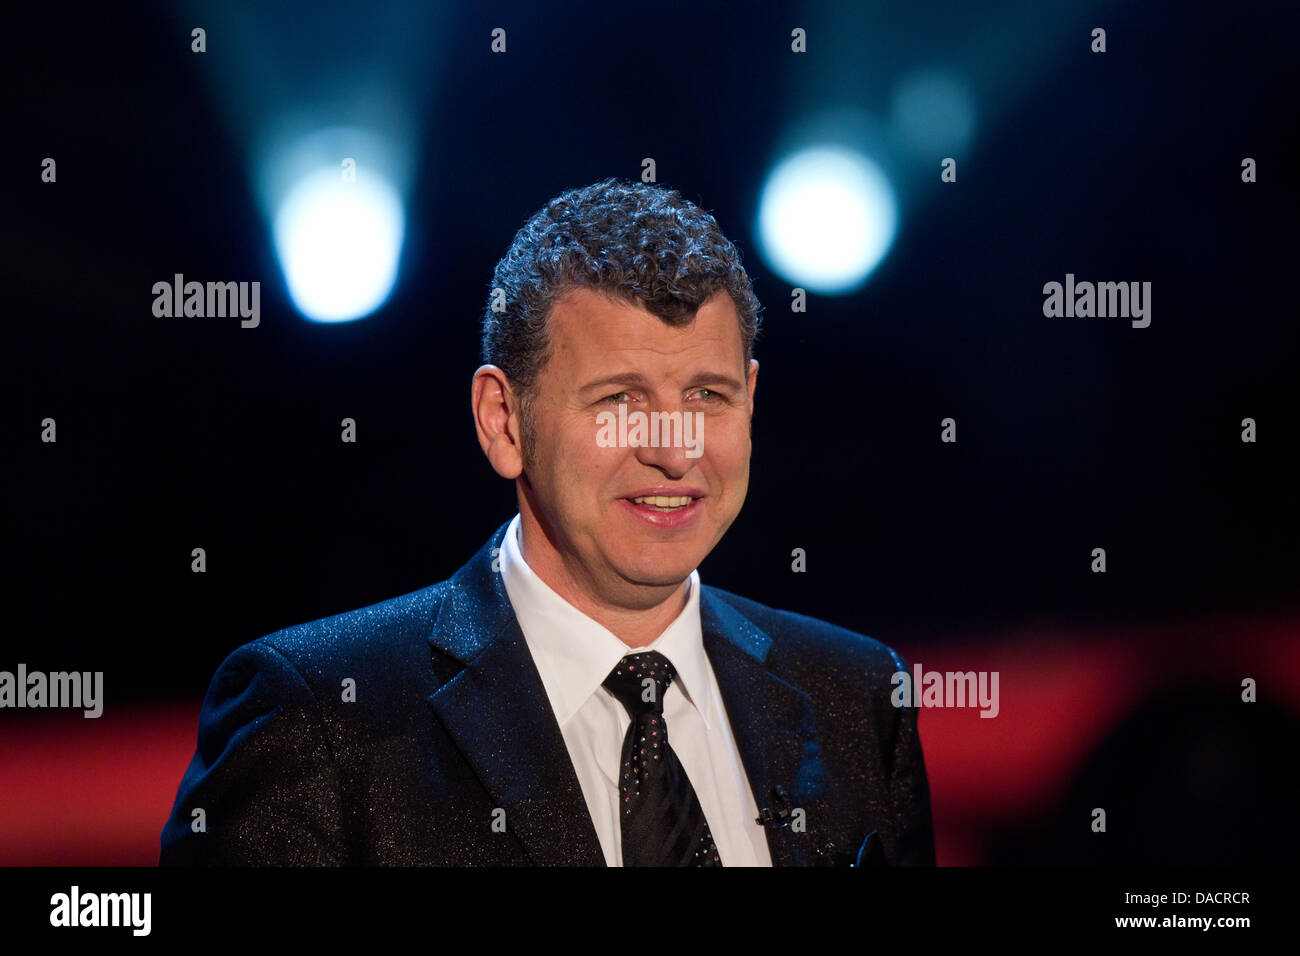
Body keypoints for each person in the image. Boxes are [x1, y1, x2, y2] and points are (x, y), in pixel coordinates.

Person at [159, 177, 935, 866]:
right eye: (619, 400)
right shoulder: (322, 718)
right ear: (503, 421)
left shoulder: (858, 695)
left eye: (707, 396)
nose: (675, 453)